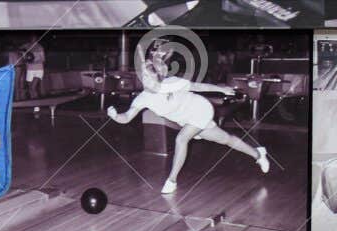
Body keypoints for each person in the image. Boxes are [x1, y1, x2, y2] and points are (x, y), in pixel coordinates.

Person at [106, 43, 269, 196]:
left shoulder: (172, 83)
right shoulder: (143, 98)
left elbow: (199, 87)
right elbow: (127, 117)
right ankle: (258, 154)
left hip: (200, 109)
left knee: (181, 139)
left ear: (159, 77)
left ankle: (171, 180)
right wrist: (116, 116)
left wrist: (222, 90)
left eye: (150, 78)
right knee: (226, 139)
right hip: (187, 120)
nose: (146, 82)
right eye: (144, 78)